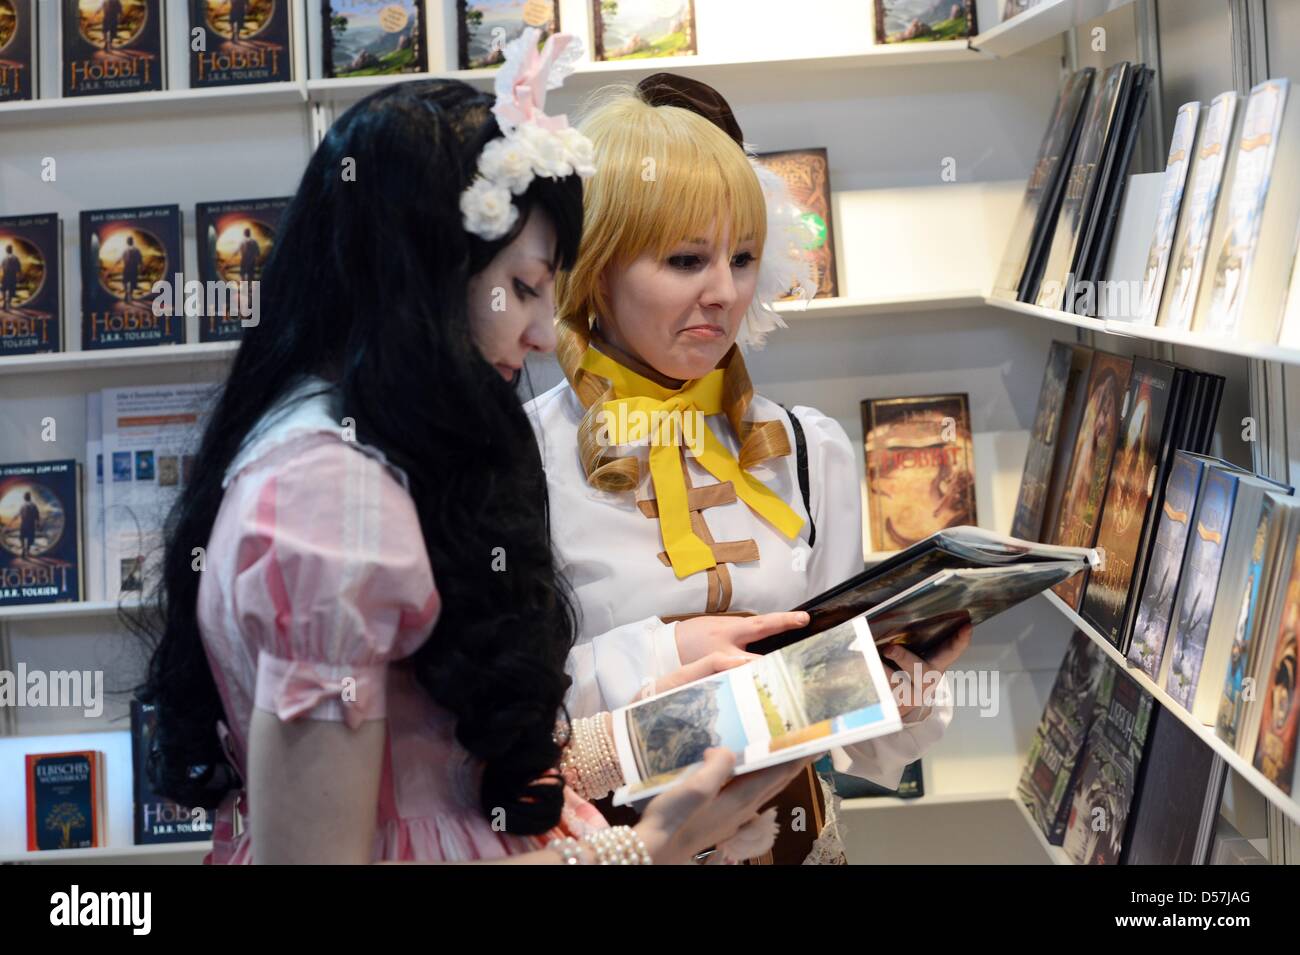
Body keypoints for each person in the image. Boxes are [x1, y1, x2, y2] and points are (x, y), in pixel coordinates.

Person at [134, 31, 803, 865]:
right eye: (520, 288)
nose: (539, 333)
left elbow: (436, 767)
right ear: (423, 272)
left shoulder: (361, 454)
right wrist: (648, 849)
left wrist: (644, 727)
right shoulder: (324, 500)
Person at [527, 75, 970, 864]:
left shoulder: (807, 447)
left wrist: (901, 684)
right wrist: (663, 653)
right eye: (687, 259)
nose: (723, 293)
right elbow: (485, 727)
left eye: (742, 258)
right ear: (597, 270)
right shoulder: (518, 459)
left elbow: (868, 754)